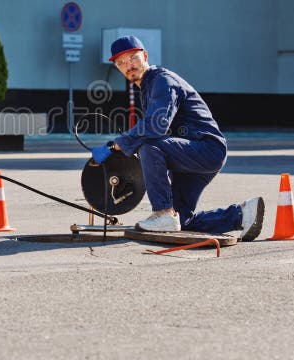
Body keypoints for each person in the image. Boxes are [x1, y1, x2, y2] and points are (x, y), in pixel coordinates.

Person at [90, 35, 264, 240]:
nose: (128, 65)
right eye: (121, 63)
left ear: (145, 55)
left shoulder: (162, 80)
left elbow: (157, 124)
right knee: (182, 220)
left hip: (206, 148)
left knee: (148, 146)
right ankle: (242, 214)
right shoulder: (147, 87)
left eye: (132, 58)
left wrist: (116, 145)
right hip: (191, 153)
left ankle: (163, 213)